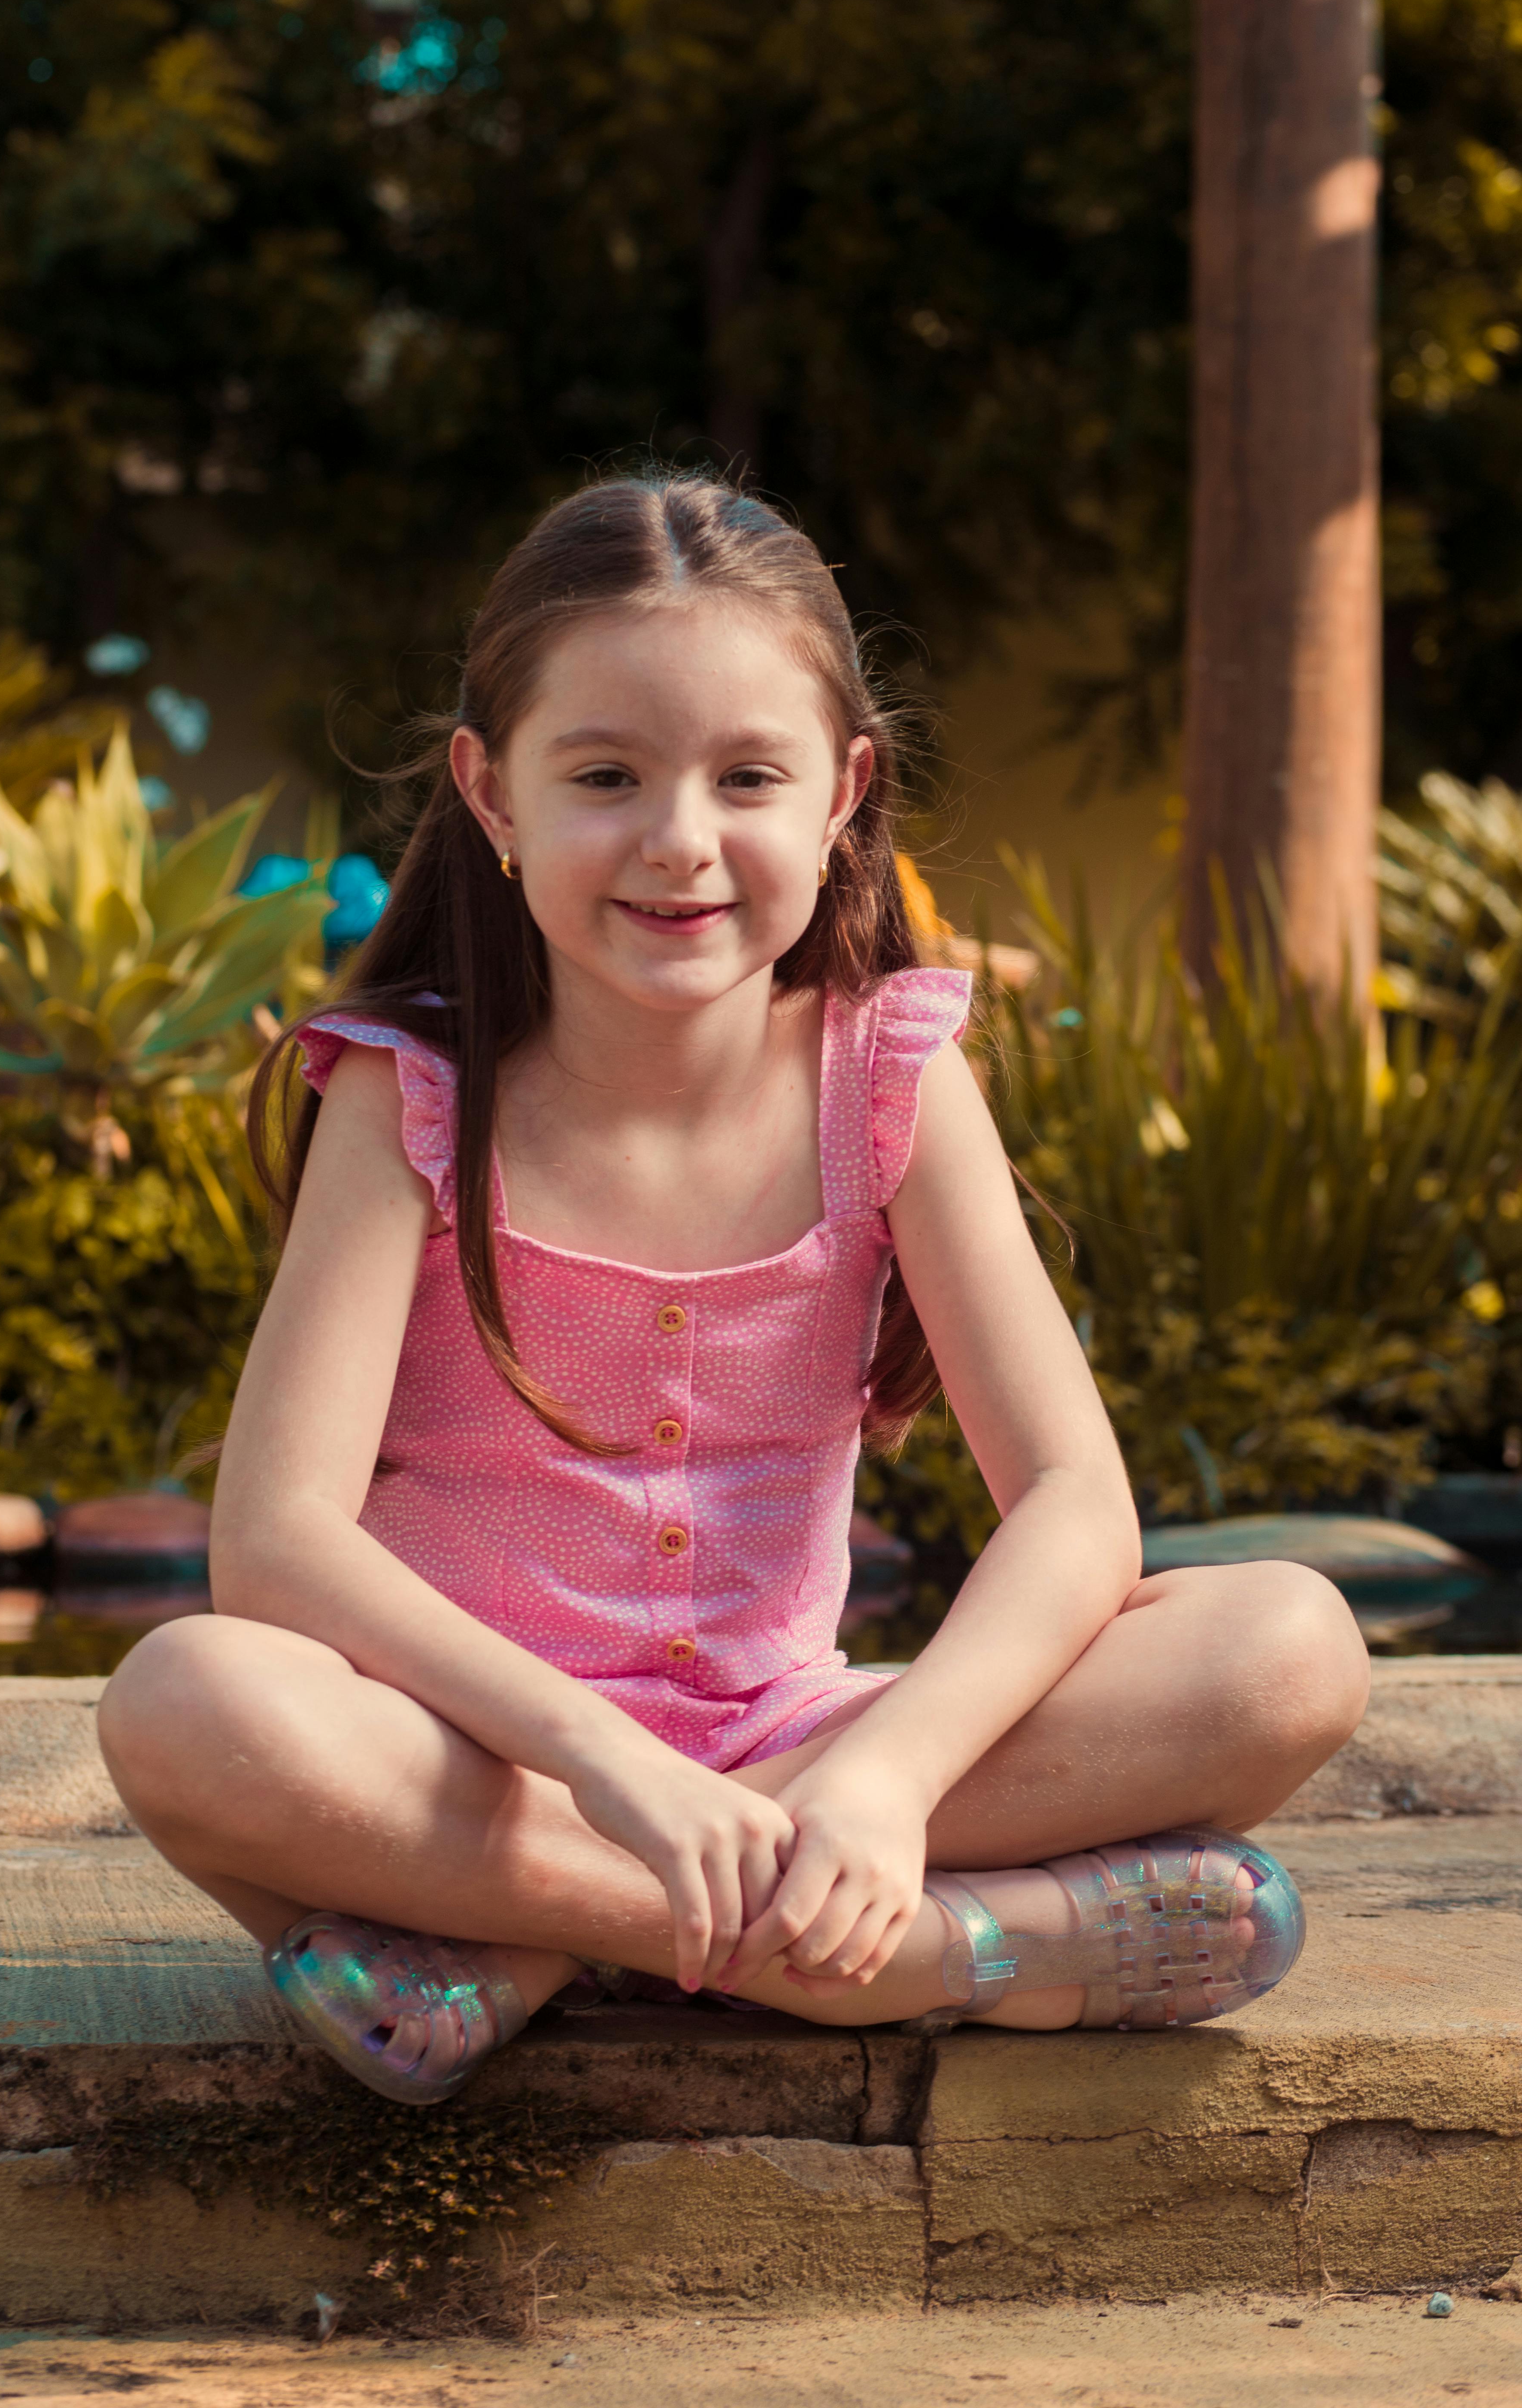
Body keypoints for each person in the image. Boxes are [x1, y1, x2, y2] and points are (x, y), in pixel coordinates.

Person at [98, 473, 1369, 2104]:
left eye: (747, 776)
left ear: (845, 792)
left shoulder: (887, 1074)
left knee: (1290, 1645)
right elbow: (275, 1545)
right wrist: (604, 1763)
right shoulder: (406, 1091)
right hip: (486, 1766)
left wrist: (890, 1784)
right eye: (607, 774)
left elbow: (1072, 1500)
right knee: (189, 1702)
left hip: (803, 1743)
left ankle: (525, 1946)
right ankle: (919, 1961)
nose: (679, 842)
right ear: (492, 794)